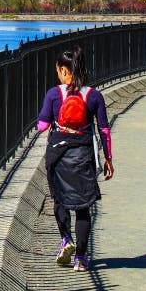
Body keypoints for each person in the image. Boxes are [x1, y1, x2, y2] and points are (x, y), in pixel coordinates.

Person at [36, 45, 114, 272]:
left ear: (62, 70)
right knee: (83, 207)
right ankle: (80, 258)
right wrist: (108, 158)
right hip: (83, 155)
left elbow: (42, 126)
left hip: (58, 154)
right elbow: (104, 130)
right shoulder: (94, 96)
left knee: (59, 200)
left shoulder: (54, 94)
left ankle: (65, 239)